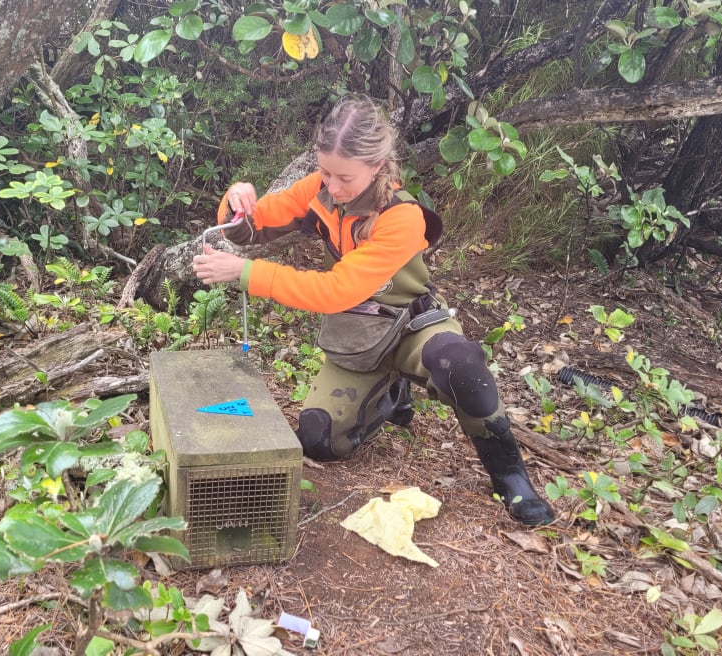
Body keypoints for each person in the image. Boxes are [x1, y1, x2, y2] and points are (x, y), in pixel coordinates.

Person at [192, 94, 555, 526]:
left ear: (377, 167)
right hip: (361, 336)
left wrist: (247, 274)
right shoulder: (321, 190)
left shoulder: (401, 218)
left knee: (463, 368)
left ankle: (511, 477)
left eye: (344, 177)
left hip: (410, 326)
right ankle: (390, 394)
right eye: (324, 172)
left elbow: (336, 291)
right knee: (319, 439)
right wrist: (236, 200)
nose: (332, 186)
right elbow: (250, 230)